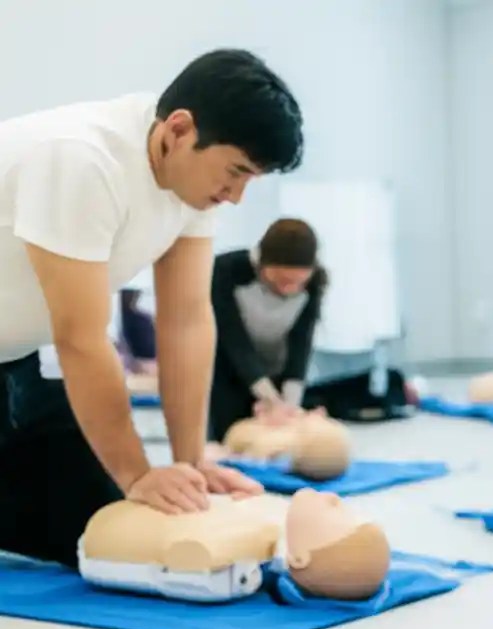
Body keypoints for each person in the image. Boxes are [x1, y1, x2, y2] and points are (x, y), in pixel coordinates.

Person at [0, 48, 304, 567]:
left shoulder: (189, 181)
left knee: (111, 528)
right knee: (129, 494)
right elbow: (81, 338)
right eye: (235, 172)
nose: (235, 197)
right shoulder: (81, 159)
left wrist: (190, 464)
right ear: (179, 130)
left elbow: (186, 320)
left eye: (250, 179)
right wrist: (138, 473)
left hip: (17, 370)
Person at [209, 217, 327, 441]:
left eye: (297, 283)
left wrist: (289, 407)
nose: (289, 289)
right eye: (281, 281)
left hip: (275, 367)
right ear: (261, 264)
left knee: (280, 437)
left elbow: (300, 344)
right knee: (233, 437)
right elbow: (233, 339)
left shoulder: (314, 285)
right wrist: (270, 398)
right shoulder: (225, 271)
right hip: (226, 369)